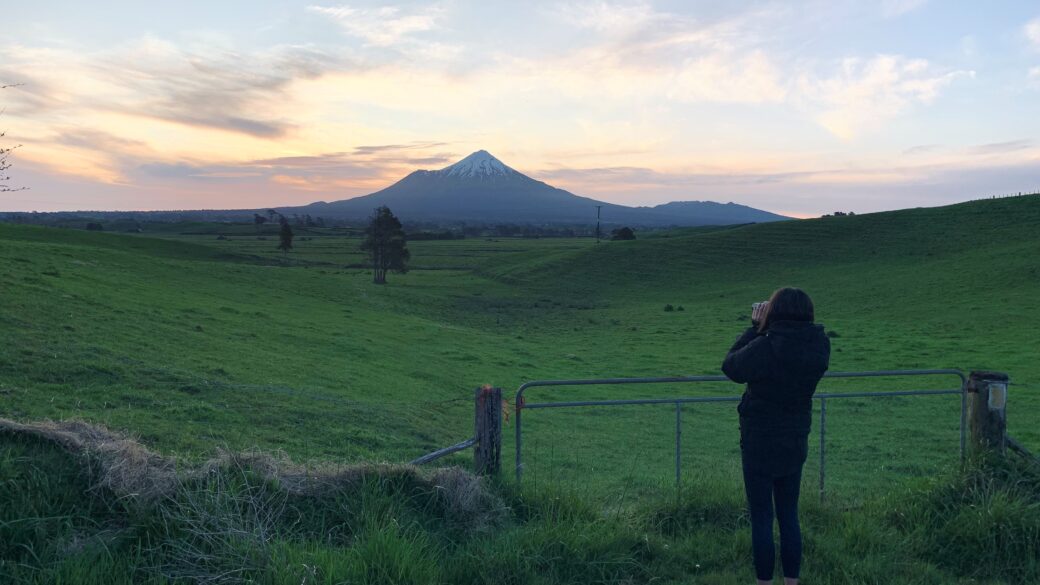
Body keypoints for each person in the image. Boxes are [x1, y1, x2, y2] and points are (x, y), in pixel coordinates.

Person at [722, 287, 830, 585]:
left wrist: (755, 328)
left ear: (773, 313)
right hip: (796, 438)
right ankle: (791, 581)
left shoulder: (766, 346)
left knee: (761, 516)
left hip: (759, 439)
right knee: (788, 515)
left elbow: (731, 366)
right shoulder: (819, 345)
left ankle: (764, 582)